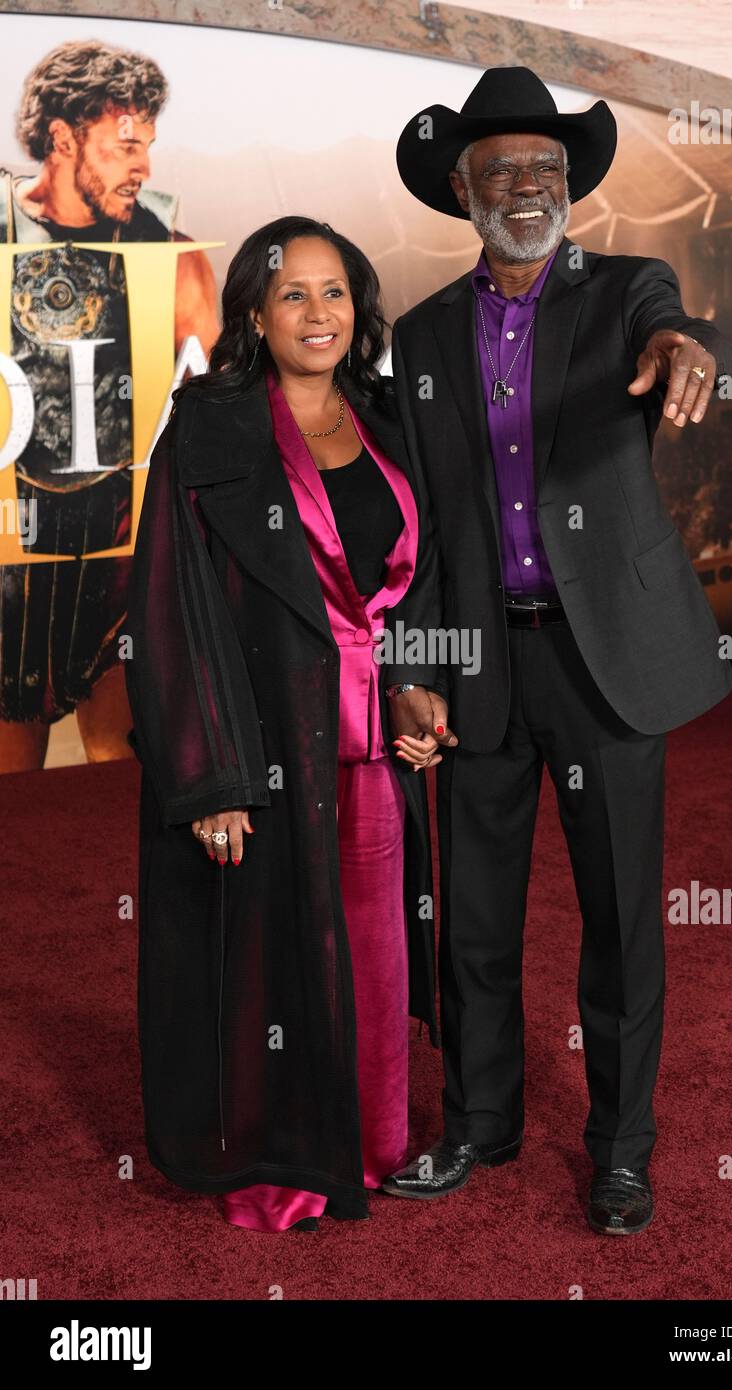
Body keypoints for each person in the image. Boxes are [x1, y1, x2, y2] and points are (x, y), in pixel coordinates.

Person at [381, 66, 732, 1234]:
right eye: (502, 170)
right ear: (461, 186)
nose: (527, 186)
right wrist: (418, 669)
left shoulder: (628, 288)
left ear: (567, 185)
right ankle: (478, 1125)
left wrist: (684, 346)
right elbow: (427, 522)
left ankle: (620, 1152)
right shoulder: (425, 334)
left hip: (605, 665)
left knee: (622, 923)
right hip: (482, 660)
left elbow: (669, 324)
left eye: (545, 168)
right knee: (471, 921)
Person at [124, 216, 453, 1232]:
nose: (318, 313)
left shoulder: (391, 421)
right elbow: (169, 605)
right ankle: (286, 1160)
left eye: (335, 292)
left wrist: (417, 686)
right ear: (254, 316)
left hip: (367, 751)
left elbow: (413, 589)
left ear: (359, 310)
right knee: (275, 953)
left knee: (370, 946)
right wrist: (210, 775)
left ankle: (369, 1140)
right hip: (263, 744)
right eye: (293, 294)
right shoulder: (209, 429)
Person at [0, 38, 219, 771]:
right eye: (125, 143)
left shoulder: (174, 254)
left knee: (123, 781)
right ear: (63, 136)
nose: (144, 164)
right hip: (10, 560)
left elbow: (215, 409)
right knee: (11, 790)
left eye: (148, 145)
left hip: (124, 558)